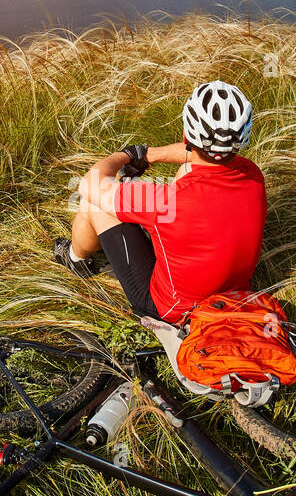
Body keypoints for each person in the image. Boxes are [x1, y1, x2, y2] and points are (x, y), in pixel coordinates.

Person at [53, 80, 266, 323]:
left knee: (93, 204)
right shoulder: (252, 175)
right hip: (230, 294)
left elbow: (90, 185)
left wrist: (126, 155)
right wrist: (150, 154)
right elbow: (199, 155)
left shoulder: (166, 203)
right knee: (187, 170)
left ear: (187, 133)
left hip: (172, 309)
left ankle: (75, 259)